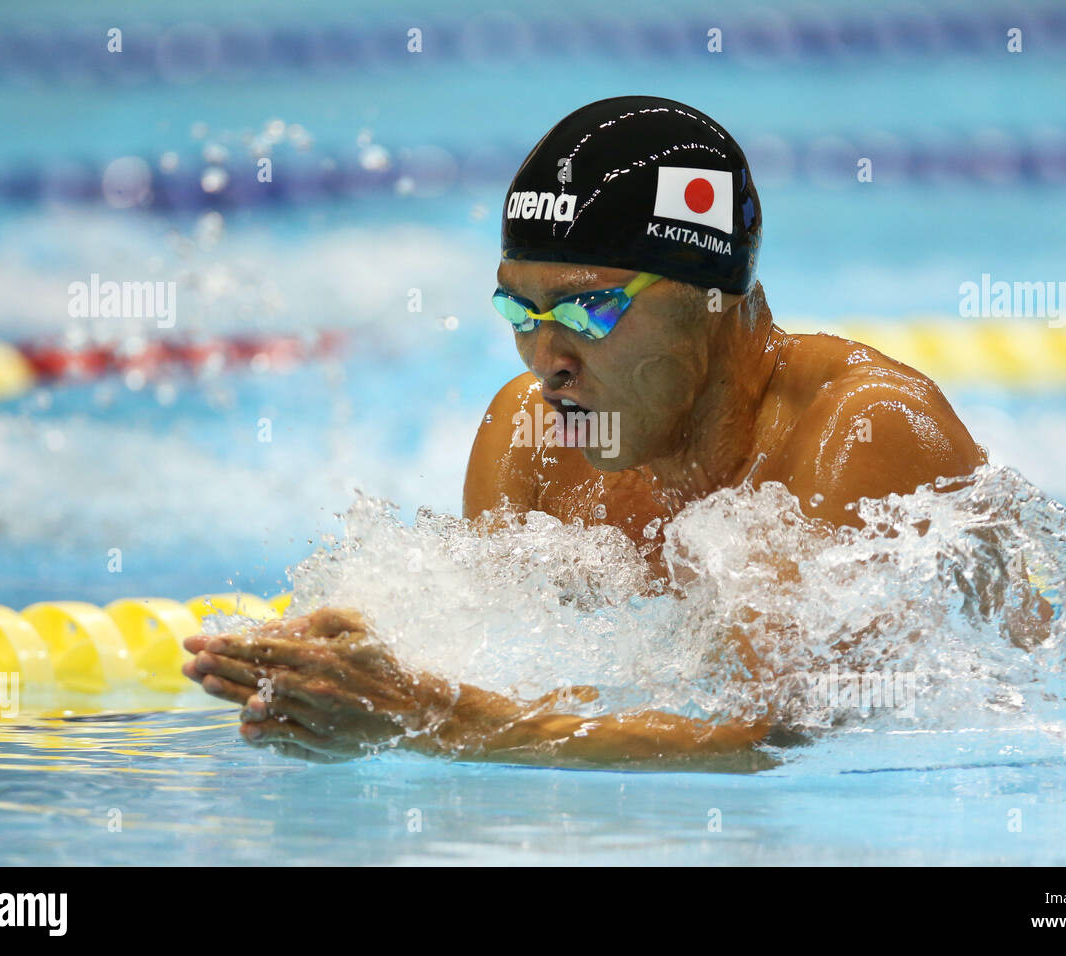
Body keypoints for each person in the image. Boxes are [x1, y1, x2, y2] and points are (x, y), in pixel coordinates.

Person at [183, 96, 986, 764]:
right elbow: (493, 662)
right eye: (521, 312)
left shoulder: (859, 429)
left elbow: (769, 737)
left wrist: (431, 717)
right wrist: (357, 677)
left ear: (712, 296)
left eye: (586, 310)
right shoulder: (537, 440)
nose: (547, 362)